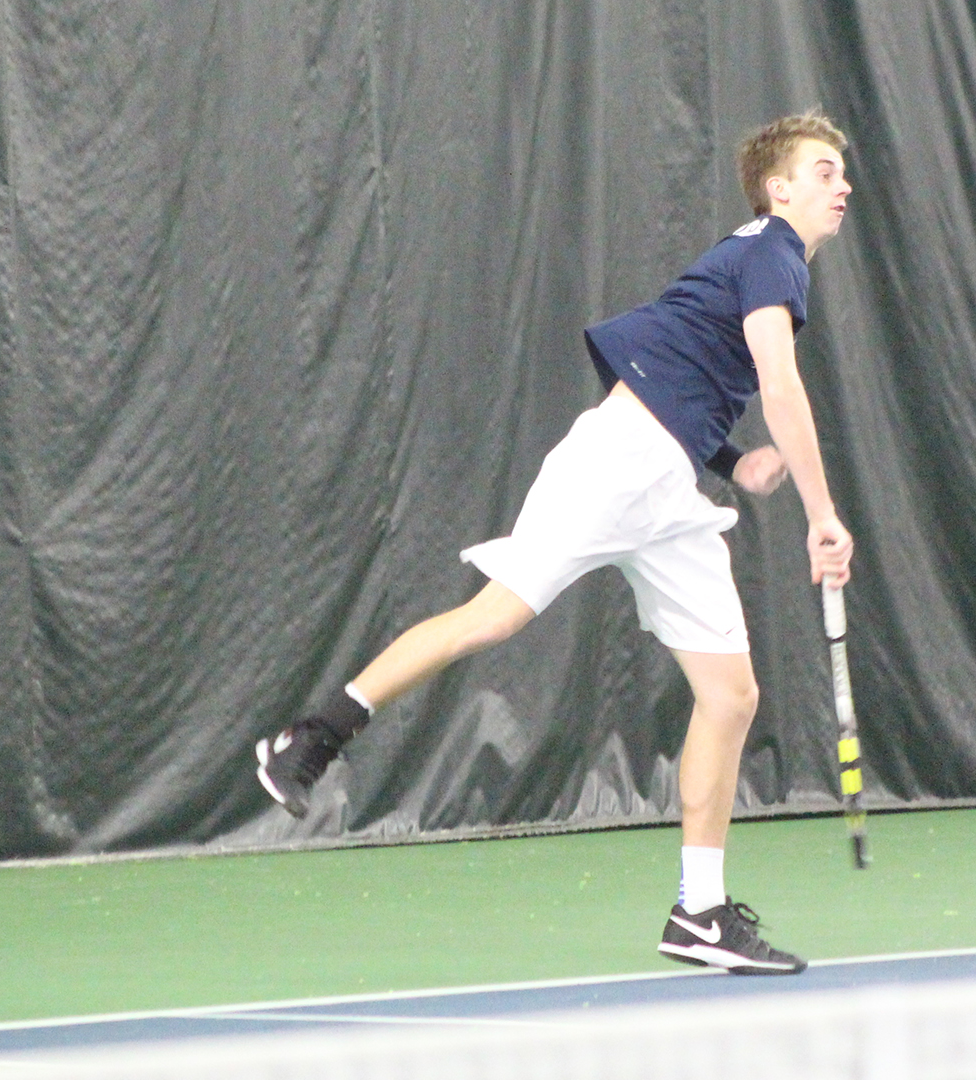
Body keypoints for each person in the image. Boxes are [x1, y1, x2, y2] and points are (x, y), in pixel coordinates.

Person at [252, 110, 855, 976]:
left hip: (667, 487)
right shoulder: (772, 250)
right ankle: (312, 738)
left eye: (843, 173)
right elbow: (780, 383)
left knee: (730, 696)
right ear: (778, 187)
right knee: (492, 620)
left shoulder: (751, 261)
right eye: (825, 170)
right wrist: (820, 514)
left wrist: (727, 458)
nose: (842, 186)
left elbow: (652, 350)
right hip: (615, 467)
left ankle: (701, 913)